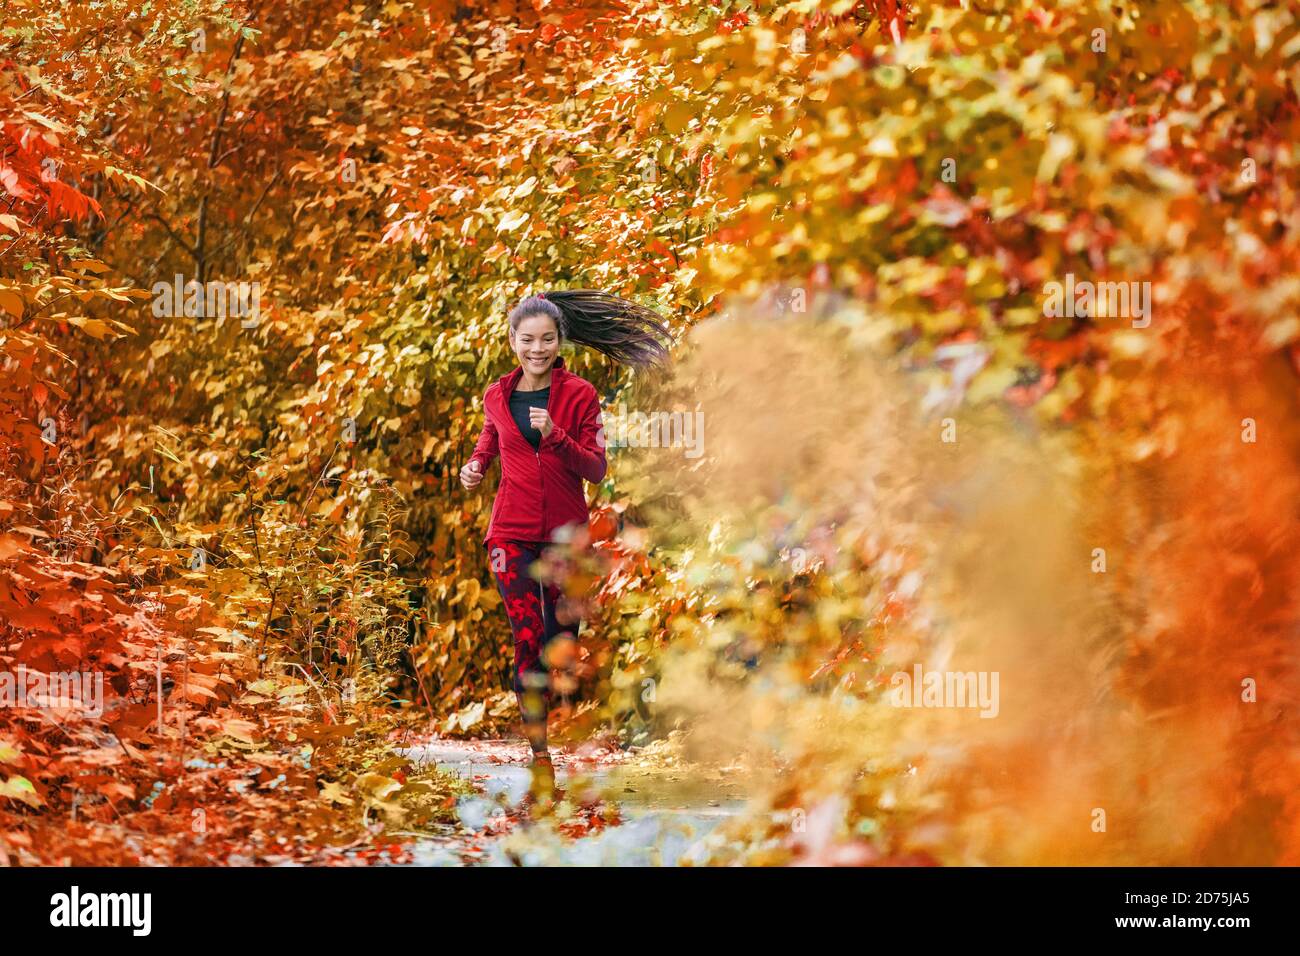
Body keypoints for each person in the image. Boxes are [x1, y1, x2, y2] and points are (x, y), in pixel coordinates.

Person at [459, 289, 671, 799]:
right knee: (526, 641)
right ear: (512, 341)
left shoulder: (580, 395)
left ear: (560, 342)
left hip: (566, 538)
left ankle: (561, 736)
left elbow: (596, 470)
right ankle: (540, 760)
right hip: (509, 533)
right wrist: (474, 467)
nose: (537, 348)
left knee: (560, 645)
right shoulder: (496, 395)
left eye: (547, 340)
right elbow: (489, 442)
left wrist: (555, 434)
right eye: (527, 339)